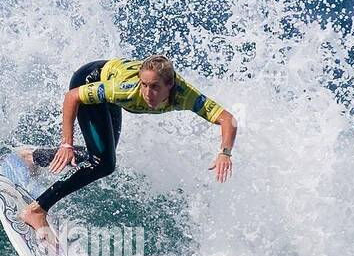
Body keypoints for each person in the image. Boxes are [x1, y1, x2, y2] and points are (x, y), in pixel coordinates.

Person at [19, 55, 237, 233]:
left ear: (170, 85)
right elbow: (72, 97)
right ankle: (36, 210)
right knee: (103, 163)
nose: (147, 93)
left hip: (109, 84)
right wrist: (66, 143)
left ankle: (33, 157)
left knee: (101, 156)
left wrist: (224, 153)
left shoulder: (185, 96)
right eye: (144, 85)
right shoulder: (126, 89)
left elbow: (228, 119)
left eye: (154, 87)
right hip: (89, 80)